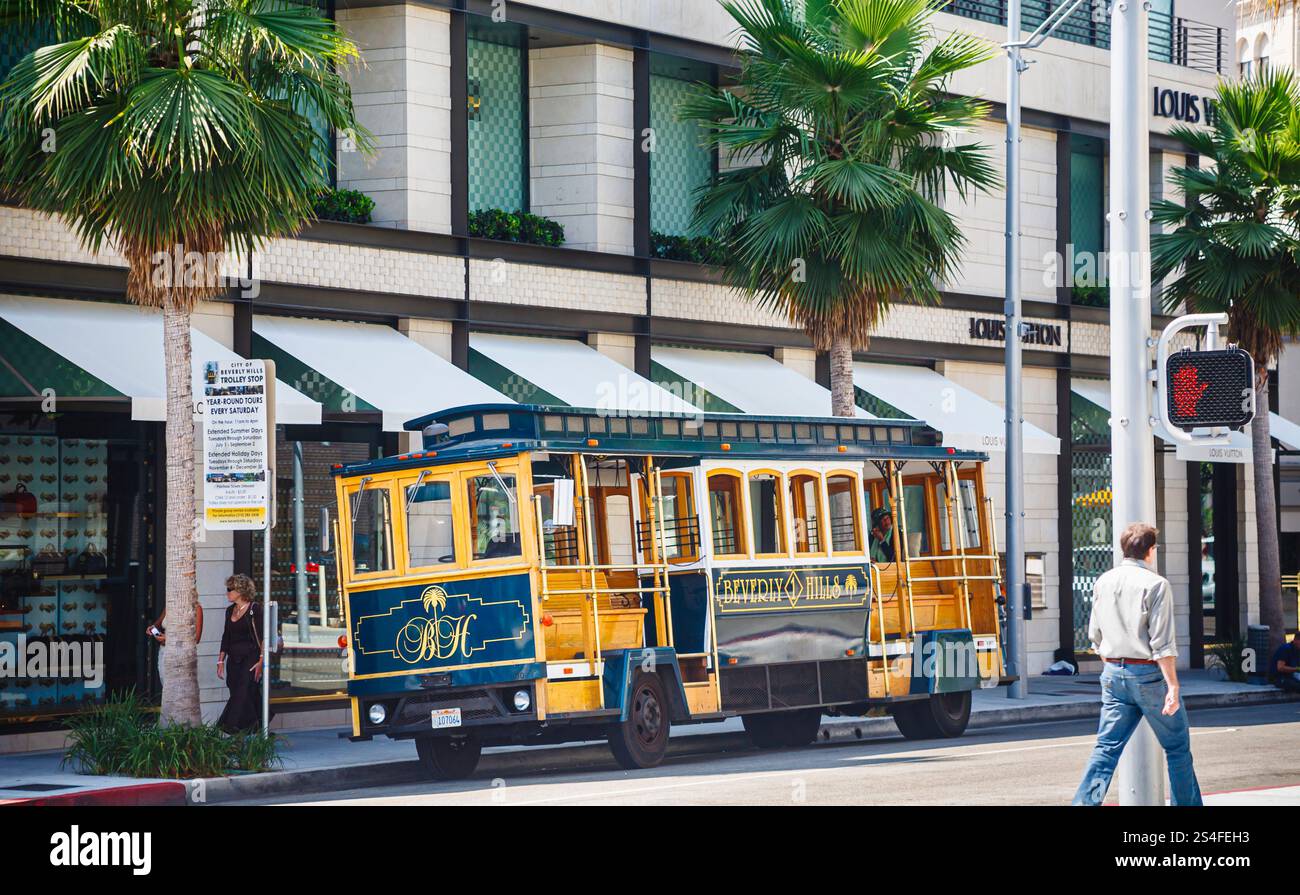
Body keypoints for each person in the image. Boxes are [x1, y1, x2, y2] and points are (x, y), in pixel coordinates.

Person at [1073, 523, 1202, 806]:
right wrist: (1173, 685)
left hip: (1113, 672)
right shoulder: (1156, 584)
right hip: (1148, 675)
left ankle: (1084, 804)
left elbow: (1095, 636)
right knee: (1177, 749)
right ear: (1151, 551)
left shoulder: (1103, 581)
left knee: (1106, 749)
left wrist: (1116, 664)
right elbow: (1162, 643)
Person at [216, 573, 267, 733]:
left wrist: (261, 661)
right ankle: (257, 725)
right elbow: (226, 636)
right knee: (237, 689)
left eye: (230, 589)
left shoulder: (254, 609)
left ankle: (229, 727)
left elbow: (263, 636)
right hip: (233, 658)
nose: (227, 592)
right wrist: (220, 661)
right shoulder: (229, 610)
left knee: (243, 690)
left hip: (251, 656)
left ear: (240, 591)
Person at [147, 595, 203, 690]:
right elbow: (160, 622)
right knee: (166, 688)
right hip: (164, 651)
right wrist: (153, 627)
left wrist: (169, 638)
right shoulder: (170, 605)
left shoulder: (196, 608)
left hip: (181, 653)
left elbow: (196, 638)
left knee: (180, 690)